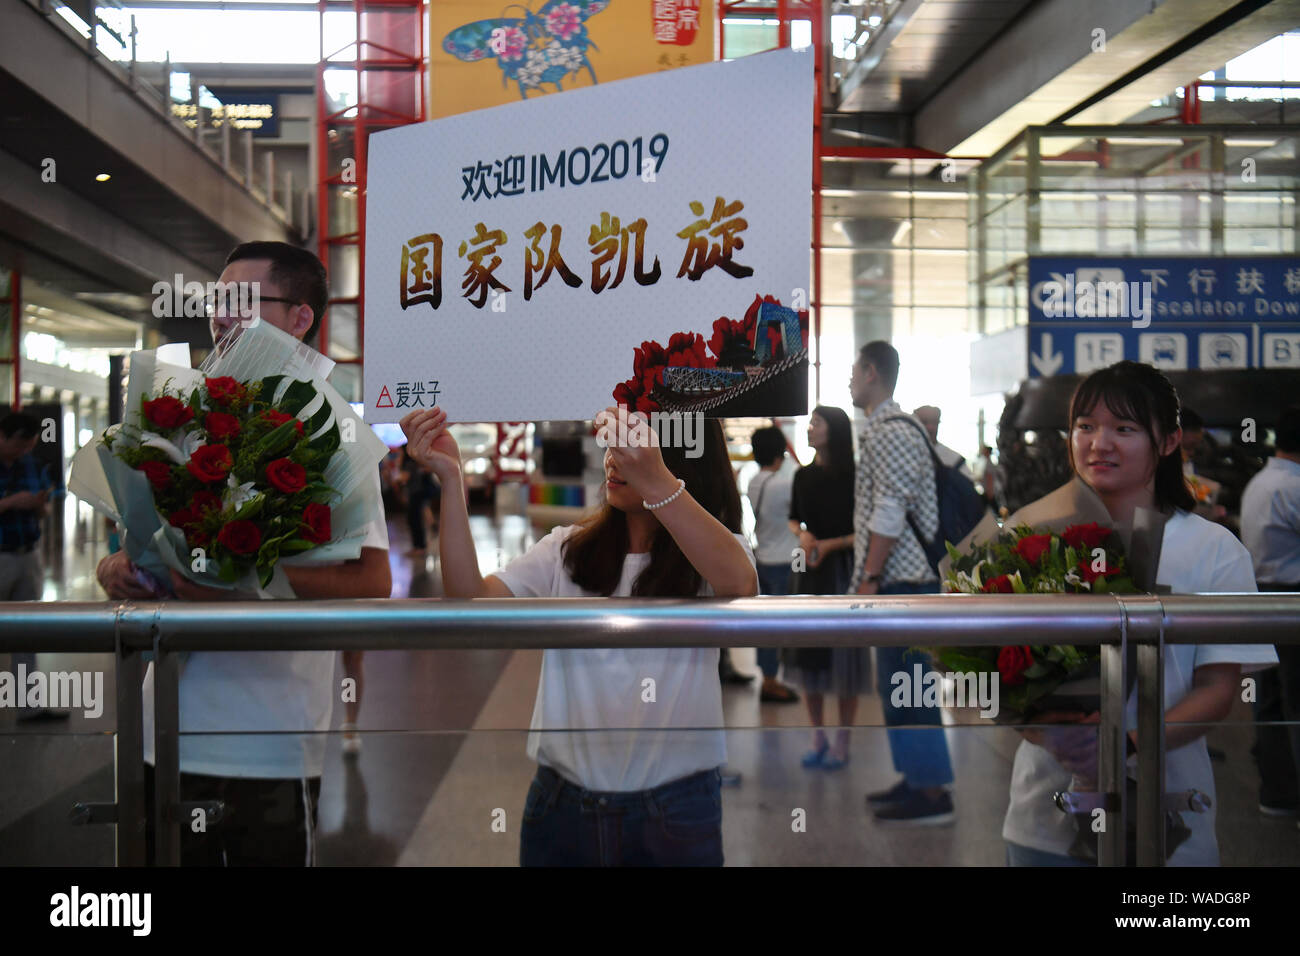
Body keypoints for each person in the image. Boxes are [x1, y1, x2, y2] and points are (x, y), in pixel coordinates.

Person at [96, 240, 392, 865]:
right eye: (216, 302)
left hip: (270, 746)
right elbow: (136, 540)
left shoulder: (328, 426)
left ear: (299, 317)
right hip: (161, 733)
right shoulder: (185, 413)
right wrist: (116, 569)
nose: (221, 316)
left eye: (240, 301)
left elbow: (372, 580)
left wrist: (244, 584)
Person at [402, 404, 756, 866]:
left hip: (676, 808)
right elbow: (471, 602)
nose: (614, 457)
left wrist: (656, 482)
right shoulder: (567, 550)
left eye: (633, 444)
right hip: (562, 805)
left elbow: (740, 584)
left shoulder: (710, 556)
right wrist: (451, 480)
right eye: (613, 443)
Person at [1003, 361, 1277, 866]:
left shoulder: (1213, 549)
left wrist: (1123, 746)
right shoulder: (1029, 536)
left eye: (1123, 429)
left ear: (1169, 441)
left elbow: (1218, 689)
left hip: (1171, 817)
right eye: (1085, 426)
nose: (1098, 443)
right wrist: (1051, 732)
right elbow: (994, 670)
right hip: (1044, 819)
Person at [849, 343, 955, 824]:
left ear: (872, 373)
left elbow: (890, 509)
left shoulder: (891, 431)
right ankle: (917, 779)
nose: (850, 381)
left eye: (854, 372)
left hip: (900, 581)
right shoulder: (886, 429)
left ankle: (932, 795)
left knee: (909, 686)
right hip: (898, 580)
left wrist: (870, 577)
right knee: (899, 686)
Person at [786, 405, 861, 769]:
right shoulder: (802, 476)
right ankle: (818, 733)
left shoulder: (855, 476)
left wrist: (832, 544)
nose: (810, 428)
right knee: (808, 653)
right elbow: (792, 519)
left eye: (817, 422)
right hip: (808, 570)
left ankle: (843, 739)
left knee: (846, 656)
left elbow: (866, 529)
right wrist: (803, 534)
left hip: (843, 569)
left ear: (834, 429)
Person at [1240, 405, 1300, 818]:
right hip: (1291, 598)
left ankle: (1277, 792)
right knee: (1295, 700)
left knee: (1271, 700)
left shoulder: (1261, 481)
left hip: (1261, 595)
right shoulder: (1293, 487)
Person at [0, 412, 65, 720]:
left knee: (26, 633)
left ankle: (28, 703)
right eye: (19, 444)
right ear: (3, 436)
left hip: (28, 554)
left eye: (29, 445)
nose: (25, 451)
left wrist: (39, 505)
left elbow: (44, 509)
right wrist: (12, 503)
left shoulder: (32, 465)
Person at [746, 425, 799, 704]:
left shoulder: (754, 481)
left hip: (761, 559)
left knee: (765, 625)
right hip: (783, 561)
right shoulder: (783, 484)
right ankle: (771, 681)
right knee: (781, 626)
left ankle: (768, 678)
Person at [913, 405, 972, 478]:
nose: (930, 427)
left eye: (934, 422)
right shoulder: (907, 454)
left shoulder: (955, 459)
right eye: (924, 422)